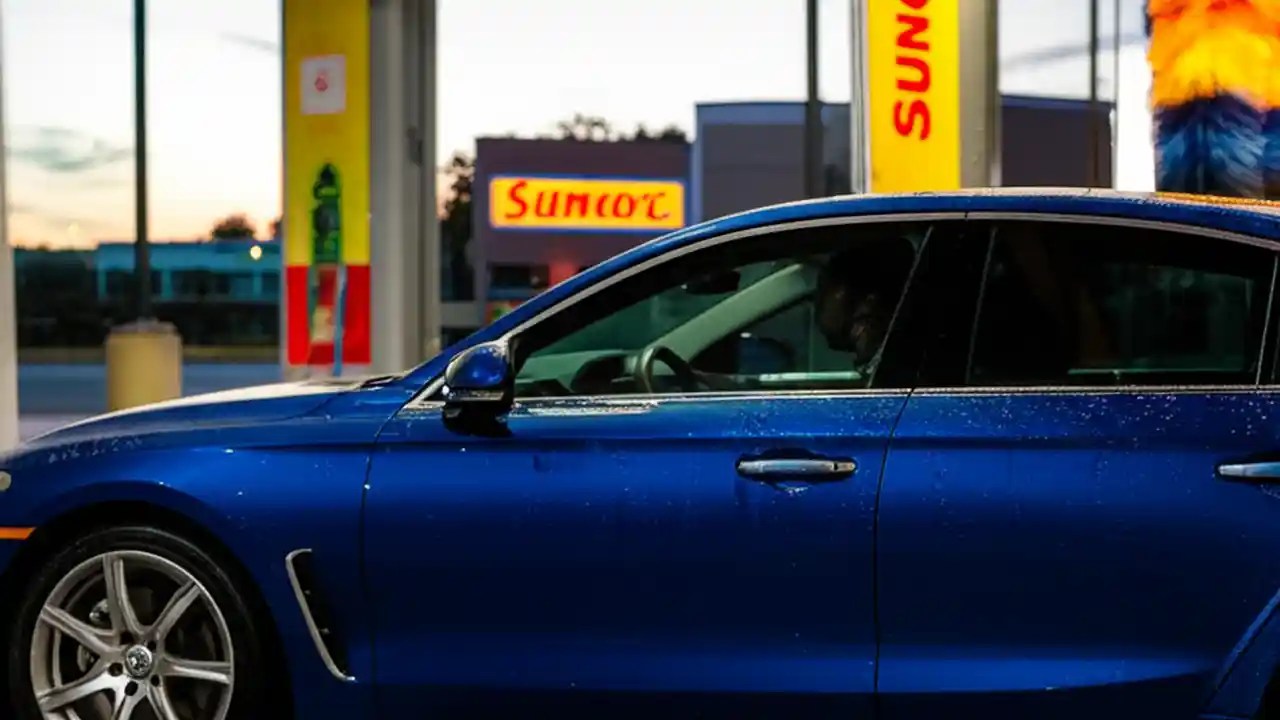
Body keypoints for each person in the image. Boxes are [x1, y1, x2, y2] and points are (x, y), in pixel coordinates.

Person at [815, 238, 917, 376]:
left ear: (869, 302)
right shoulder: (890, 369)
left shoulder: (896, 377)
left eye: (827, 289)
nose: (819, 302)